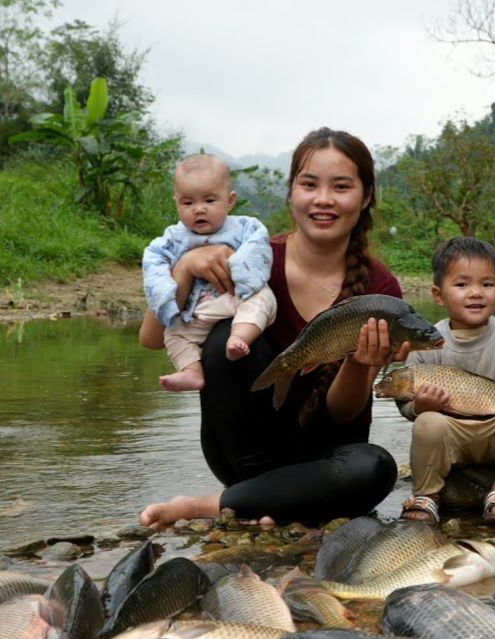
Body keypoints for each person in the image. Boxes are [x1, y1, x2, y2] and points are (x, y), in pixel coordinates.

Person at [138, 128, 408, 529]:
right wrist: (184, 268)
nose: (323, 199)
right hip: (244, 453)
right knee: (224, 336)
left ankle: (217, 506)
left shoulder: (379, 290)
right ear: (291, 191)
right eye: (309, 184)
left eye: (341, 187)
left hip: (326, 455)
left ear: (366, 196)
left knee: (376, 468)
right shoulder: (250, 258)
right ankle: (255, 495)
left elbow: (343, 413)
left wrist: (358, 363)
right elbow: (151, 338)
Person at [396, 237, 495, 526]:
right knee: (427, 422)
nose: (475, 293)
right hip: (451, 435)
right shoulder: (426, 341)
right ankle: (427, 496)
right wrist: (420, 406)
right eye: (462, 285)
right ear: (438, 295)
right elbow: (405, 405)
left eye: (487, 284)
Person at [143, 154, 276, 392]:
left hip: (240, 296)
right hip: (200, 311)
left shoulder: (245, 226)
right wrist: (167, 294)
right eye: (188, 203)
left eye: (209, 200)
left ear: (230, 200)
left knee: (261, 300)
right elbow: (153, 263)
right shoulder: (172, 239)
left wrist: (238, 269)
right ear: (176, 203)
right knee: (174, 335)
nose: (199, 209)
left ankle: (239, 337)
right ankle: (191, 370)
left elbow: (259, 247)